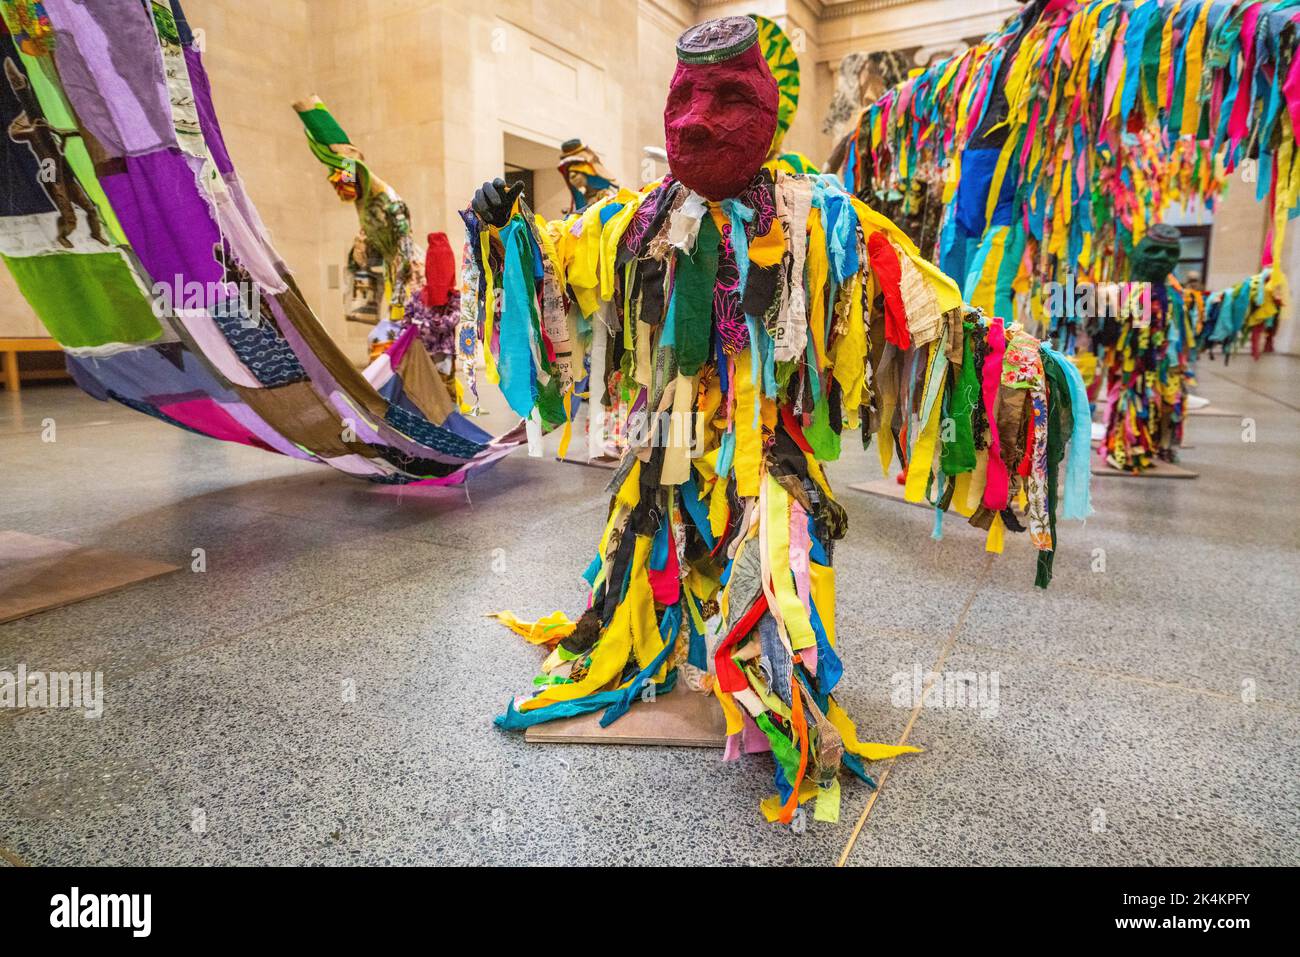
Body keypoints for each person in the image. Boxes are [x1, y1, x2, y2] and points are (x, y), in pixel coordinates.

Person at [464, 15, 1089, 821]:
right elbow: (557, 263)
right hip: (667, 446)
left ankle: (779, 702)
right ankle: (643, 658)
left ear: (768, 108)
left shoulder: (820, 217)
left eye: (725, 97)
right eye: (683, 96)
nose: (695, 119)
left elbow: (923, 305)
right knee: (647, 556)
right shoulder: (635, 222)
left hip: (773, 451)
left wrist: (1016, 370)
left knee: (779, 571)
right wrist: (503, 229)